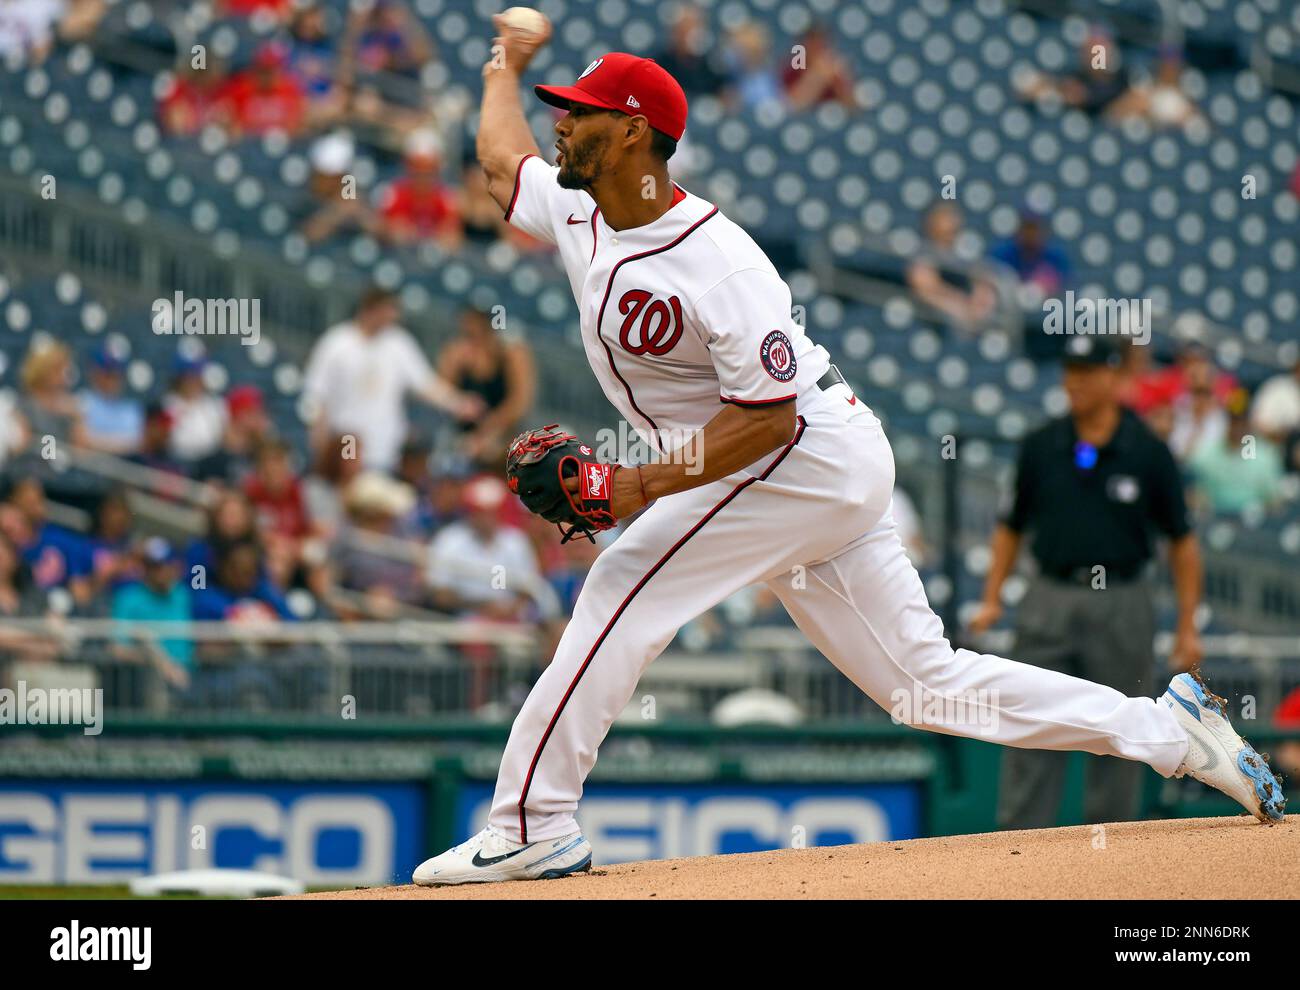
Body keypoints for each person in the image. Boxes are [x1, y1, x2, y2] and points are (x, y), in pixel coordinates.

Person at [412, 26, 1284, 885]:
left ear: (635, 131)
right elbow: (498, 161)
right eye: (559, 110)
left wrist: (633, 486)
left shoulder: (718, 264)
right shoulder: (579, 208)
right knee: (924, 687)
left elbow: (767, 420)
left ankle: (533, 823)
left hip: (800, 454)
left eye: (581, 112)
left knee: (621, 584)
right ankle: (1171, 732)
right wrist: (502, 67)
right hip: (794, 470)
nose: (559, 123)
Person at [968, 336, 1205, 829]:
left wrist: (1187, 626)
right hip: (1048, 595)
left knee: (1123, 730)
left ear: (1113, 378)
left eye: (1087, 370)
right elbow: (1010, 527)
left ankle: (1110, 853)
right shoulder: (1041, 445)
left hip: (1123, 600)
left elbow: (1182, 541)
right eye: (1069, 370)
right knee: (1032, 720)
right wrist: (991, 598)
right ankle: (1020, 849)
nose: (1073, 381)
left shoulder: (1147, 450)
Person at [302, 286, 483, 472]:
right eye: (388, 309)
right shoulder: (336, 343)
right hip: (345, 451)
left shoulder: (398, 343)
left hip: (386, 451)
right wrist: (319, 444)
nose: (393, 315)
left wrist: (457, 402)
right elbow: (316, 397)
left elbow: (426, 385)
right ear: (370, 309)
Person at [437, 306, 536, 467]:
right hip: (464, 432)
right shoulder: (456, 352)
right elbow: (442, 395)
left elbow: (519, 403)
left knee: (496, 452)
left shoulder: (512, 354)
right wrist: (454, 366)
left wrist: (488, 429)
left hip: (503, 432)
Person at [906, 204, 998, 334]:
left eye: (953, 231)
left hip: (970, 320)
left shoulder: (965, 253)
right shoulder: (923, 254)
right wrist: (963, 306)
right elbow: (924, 286)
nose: (949, 234)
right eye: (943, 231)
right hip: (936, 325)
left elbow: (985, 278)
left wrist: (981, 299)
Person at [1189, 392, 1285, 515]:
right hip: (1216, 522)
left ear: (1250, 421)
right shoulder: (1204, 454)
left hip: (1256, 524)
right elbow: (1195, 495)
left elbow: (1274, 501)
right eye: (1234, 420)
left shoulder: (1266, 456)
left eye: (1242, 421)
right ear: (1226, 421)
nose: (1238, 426)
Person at [377, 128, 463, 249]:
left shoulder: (445, 196)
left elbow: (452, 237)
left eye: (428, 171)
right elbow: (387, 231)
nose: (423, 177)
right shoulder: (395, 193)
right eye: (418, 170)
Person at [79, 345, 143, 456]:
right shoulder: (82, 400)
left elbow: (138, 443)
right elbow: (82, 442)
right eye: (108, 373)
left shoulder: (131, 409)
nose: (113, 379)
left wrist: (96, 441)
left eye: (117, 373)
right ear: (95, 373)